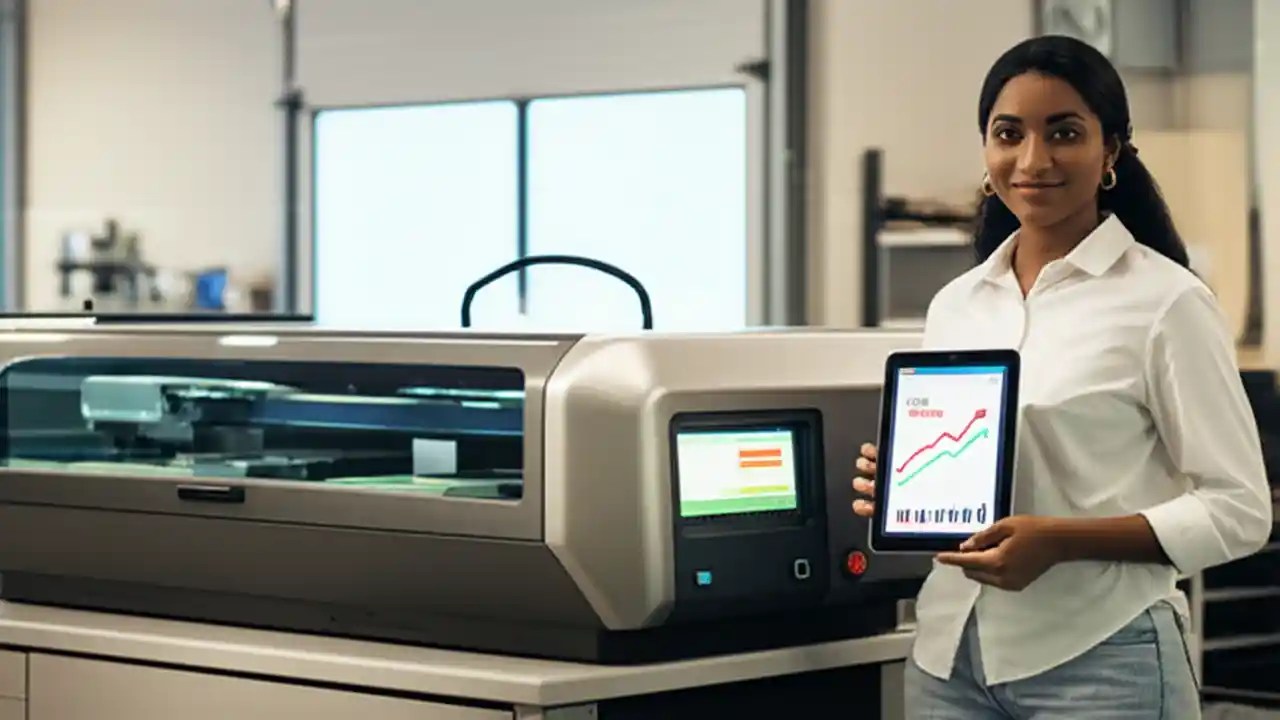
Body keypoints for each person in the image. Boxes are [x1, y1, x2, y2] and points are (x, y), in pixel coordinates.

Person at [851, 35, 1274, 718]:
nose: (1033, 160)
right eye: (1008, 134)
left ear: (1110, 153)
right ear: (986, 151)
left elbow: (1240, 511)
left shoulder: (1166, 301)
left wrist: (1062, 540)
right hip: (946, 660)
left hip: (1103, 658)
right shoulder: (956, 304)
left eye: (1064, 133)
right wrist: (903, 485)